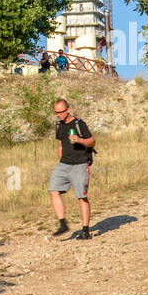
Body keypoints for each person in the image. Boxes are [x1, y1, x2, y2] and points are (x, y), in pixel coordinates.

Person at [49, 97, 96, 239]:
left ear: (68, 110)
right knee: (53, 190)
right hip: (64, 164)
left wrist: (79, 140)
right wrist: (60, 160)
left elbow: (92, 142)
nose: (59, 115)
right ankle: (63, 224)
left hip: (80, 164)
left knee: (82, 197)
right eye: (56, 112)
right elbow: (60, 144)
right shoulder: (59, 125)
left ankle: (86, 231)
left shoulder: (79, 124)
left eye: (61, 112)